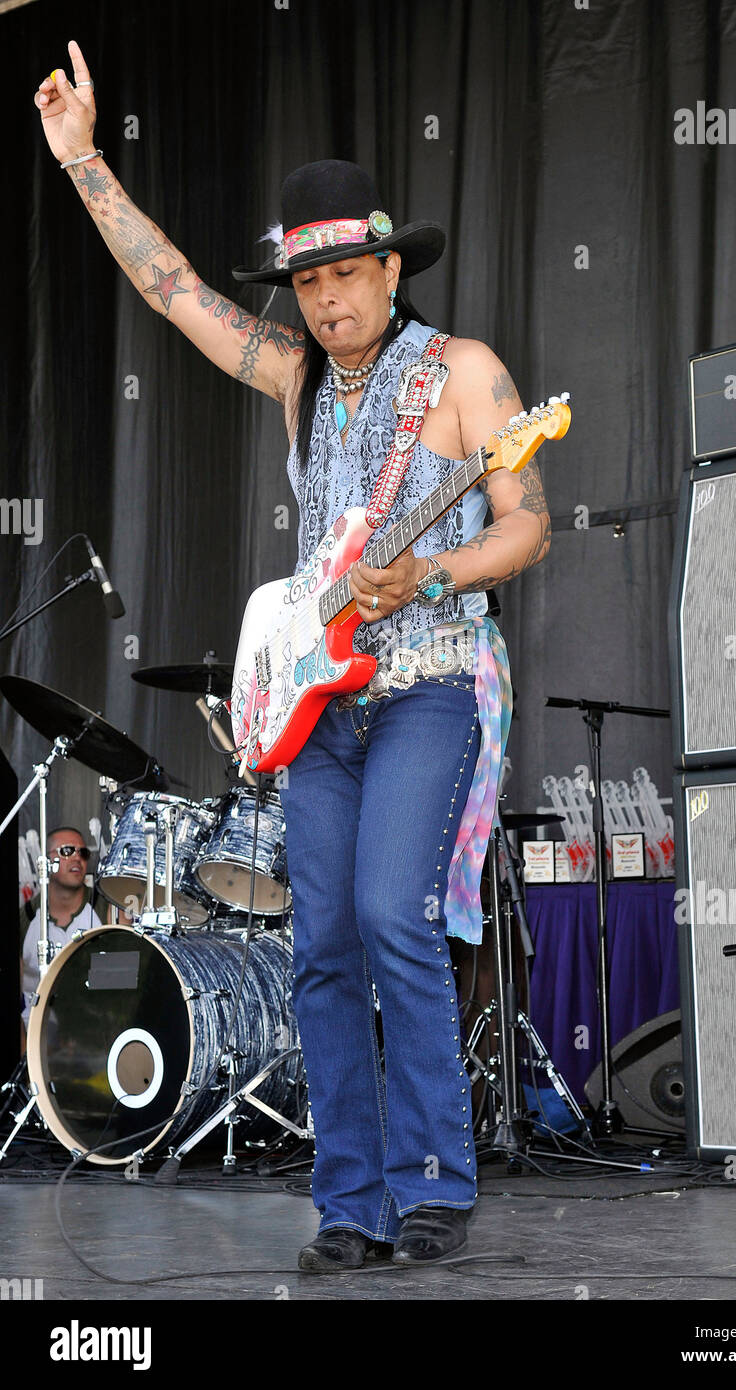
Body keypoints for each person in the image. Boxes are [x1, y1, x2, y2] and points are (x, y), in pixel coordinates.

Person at [34, 41, 552, 1271]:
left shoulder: (465, 373)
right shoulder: (296, 384)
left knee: (390, 914)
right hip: (323, 708)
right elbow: (170, 291)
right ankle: (350, 1201)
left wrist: (427, 568)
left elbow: (524, 523)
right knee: (315, 939)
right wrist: (82, 161)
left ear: (388, 267)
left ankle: (435, 1178)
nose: (323, 300)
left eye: (343, 274)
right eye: (304, 279)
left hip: (428, 689)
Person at [20, 826, 100, 1026]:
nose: (77, 858)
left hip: (95, 1033)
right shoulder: (25, 919)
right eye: (67, 851)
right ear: (45, 862)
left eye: (83, 852)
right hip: (37, 1036)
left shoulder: (106, 908)